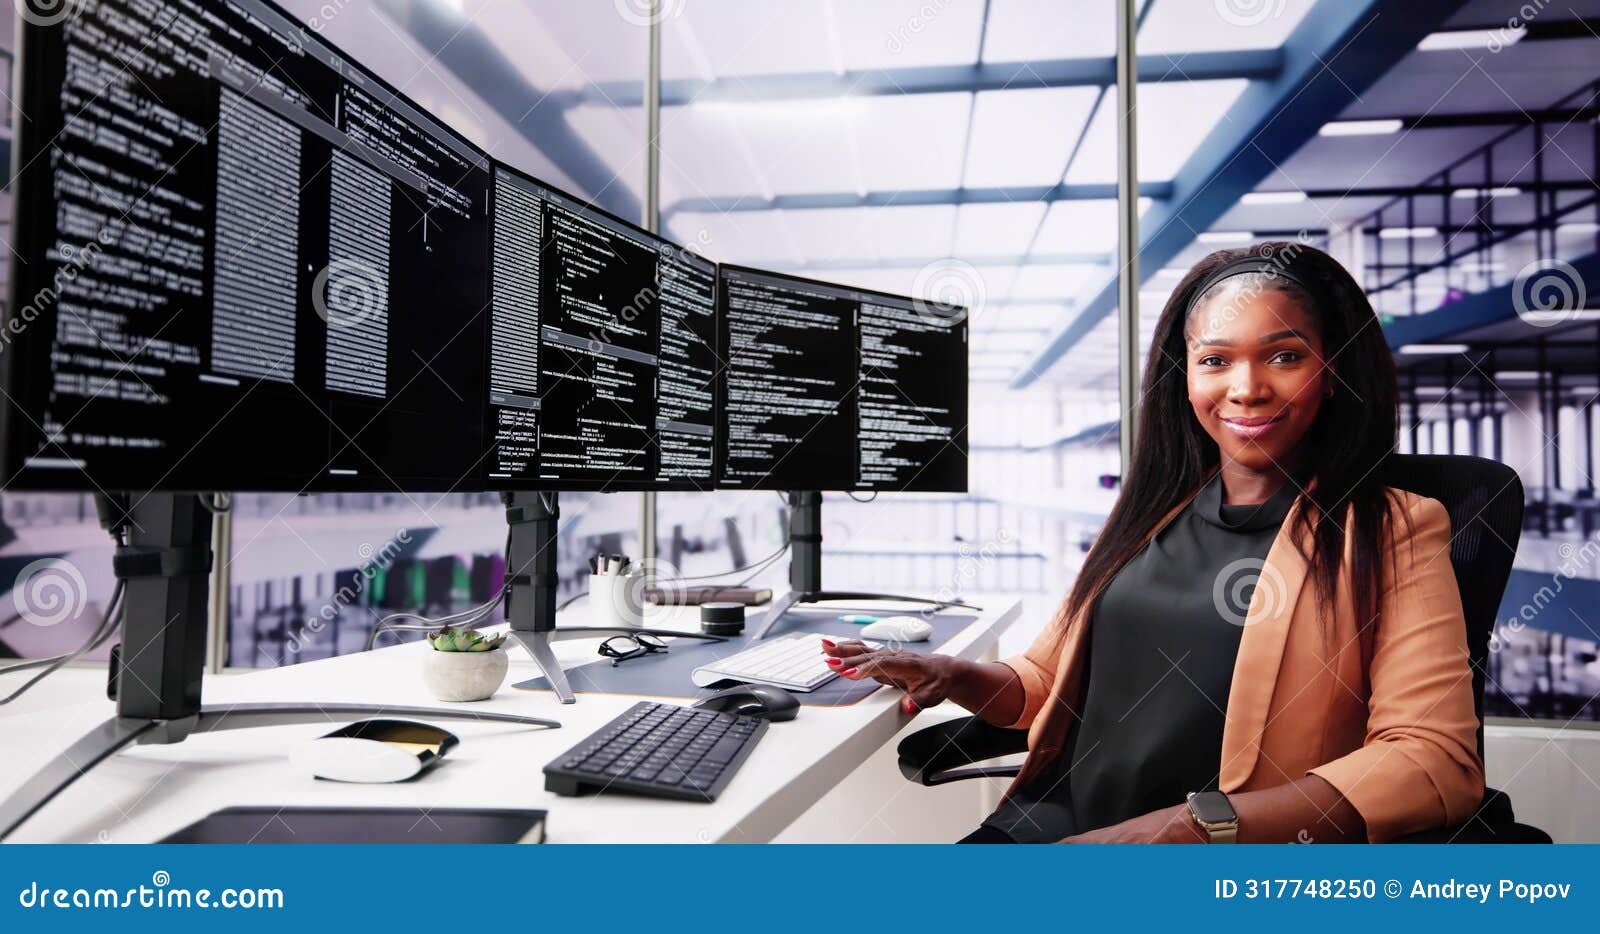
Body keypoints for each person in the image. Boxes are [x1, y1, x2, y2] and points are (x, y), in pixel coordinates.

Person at [821, 243, 1484, 843]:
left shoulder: (1391, 528)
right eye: (1215, 360)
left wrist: (1191, 829)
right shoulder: (1147, 516)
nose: (1246, 387)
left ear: (1333, 370)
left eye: (1284, 356)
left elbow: (1433, 758)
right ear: (1186, 378)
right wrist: (951, 673)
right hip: (1054, 824)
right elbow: (1042, 682)